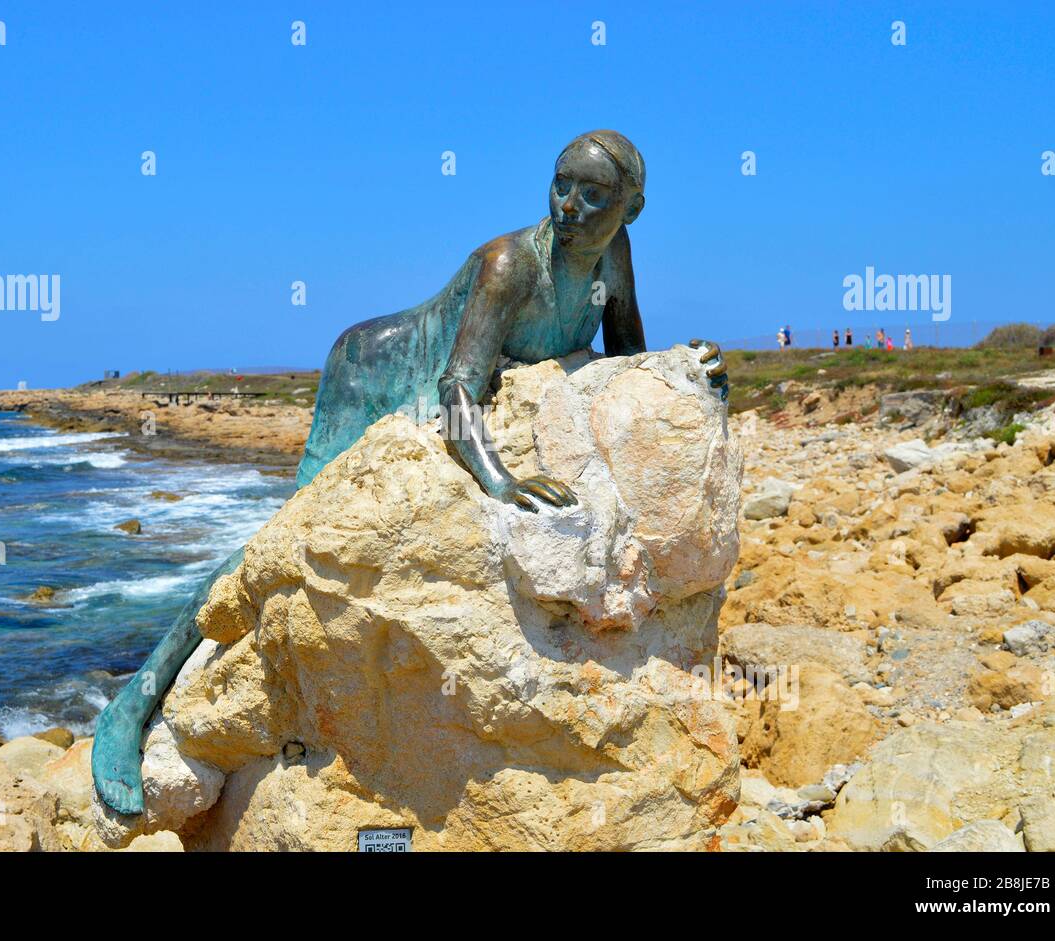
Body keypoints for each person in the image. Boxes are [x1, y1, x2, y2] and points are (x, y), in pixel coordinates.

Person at [90, 130, 731, 815]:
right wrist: (501, 482)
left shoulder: (615, 255)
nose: (570, 206)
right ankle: (132, 704)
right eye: (560, 185)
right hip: (383, 371)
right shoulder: (509, 265)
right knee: (278, 543)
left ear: (631, 209)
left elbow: (624, 352)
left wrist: (687, 372)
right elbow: (456, 387)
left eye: (593, 195)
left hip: (448, 377)